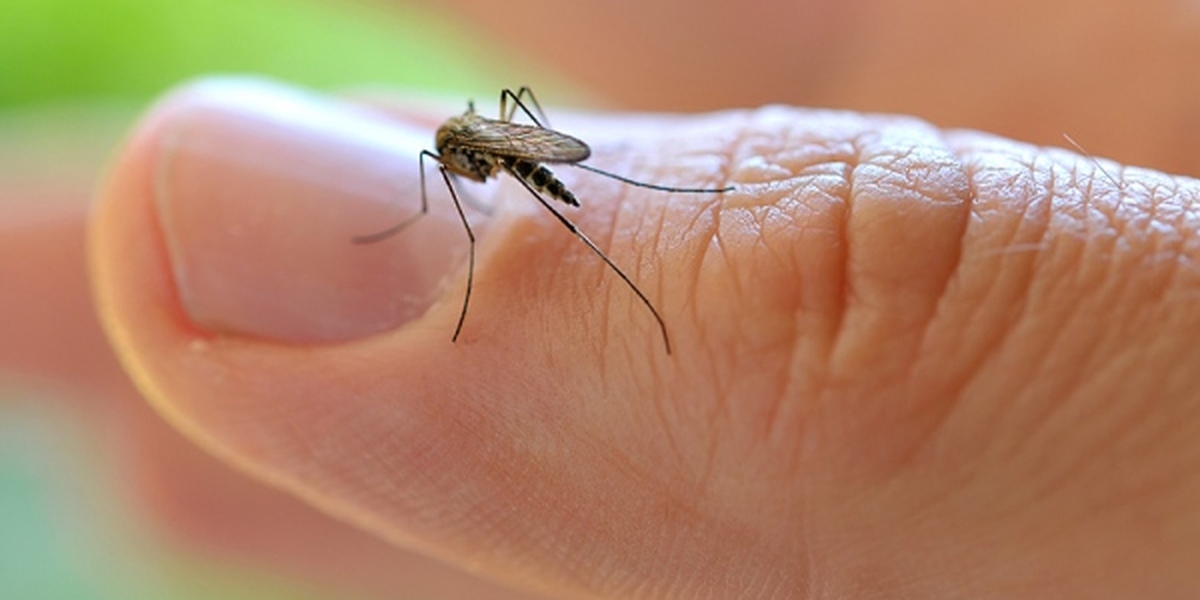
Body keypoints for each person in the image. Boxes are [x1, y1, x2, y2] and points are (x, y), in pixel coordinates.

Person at [6, 1, 1200, 597]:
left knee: (561, 197)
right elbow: (460, 163)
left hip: (559, 155)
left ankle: (609, 221)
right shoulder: (459, 152)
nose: (457, 168)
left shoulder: (480, 148)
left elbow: (492, 154)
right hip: (526, 154)